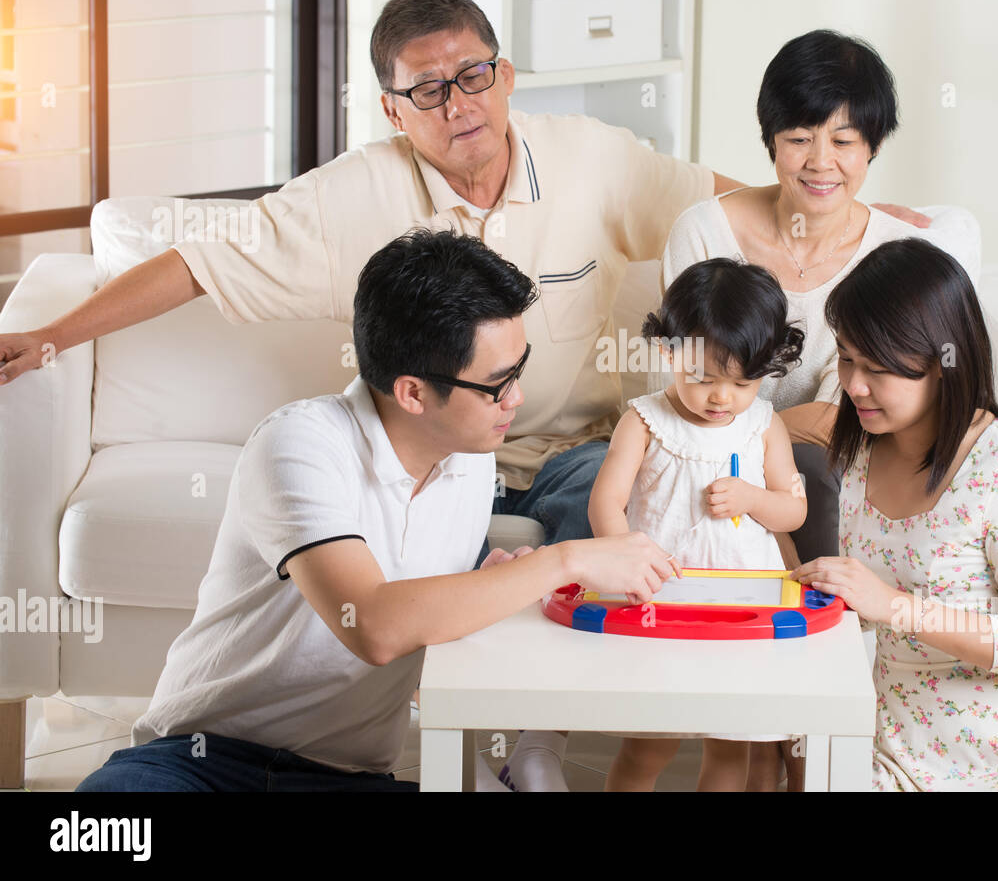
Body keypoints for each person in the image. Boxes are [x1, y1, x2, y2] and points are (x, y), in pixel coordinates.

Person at [0, 0, 926, 790]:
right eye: (428, 90)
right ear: (393, 109)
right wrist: (49, 334)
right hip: (434, 475)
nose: (460, 104)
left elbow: (716, 204)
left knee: (617, 506)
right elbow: (207, 257)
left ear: (507, 74)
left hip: (568, 453)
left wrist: (847, 207)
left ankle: (542, 742)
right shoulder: (342, 270)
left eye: (475, 75)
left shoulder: (595, 159)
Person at [75, 228, 680, 792]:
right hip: (200, 763)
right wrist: (563, 560)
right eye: (498, 384)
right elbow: (373, 624)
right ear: (413, 392)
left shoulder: (468, 460)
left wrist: (487, 590)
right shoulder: (299, 444)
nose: (516, 399)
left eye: (519, 372)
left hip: (350, 777)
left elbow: (422, 620)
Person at [661, 28, 965, 789]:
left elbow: (855, 419)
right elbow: (698, 393)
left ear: (874, 148)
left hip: (833, 468)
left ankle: (790, 734)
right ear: (769, 140)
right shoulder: (705, 231)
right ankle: (765, 734)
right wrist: (762, 424)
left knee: (820, 472)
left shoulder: (896, 251)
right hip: (713, 457)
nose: (820, 162)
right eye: (798, 137)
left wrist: (761, 420)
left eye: (845, 140)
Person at [791, 238, 998, 790]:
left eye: (877, 368)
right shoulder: (861, 451)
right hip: (905, 741)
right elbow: (868, 607)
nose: (853, 385)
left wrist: (898, 608)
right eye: (847, 358)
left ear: (943, 364)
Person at [588, 258, 807, 791]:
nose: (720, 398)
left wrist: (753, 497)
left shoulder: (763, 424)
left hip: (743, 604)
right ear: (668, 352)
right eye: (702, 378)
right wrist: (629, 559)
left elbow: (793, 509)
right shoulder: (643, 421)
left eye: (742, 381)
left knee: (730, 747)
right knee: (648, 744)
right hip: (663, 602)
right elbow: (604, 505)